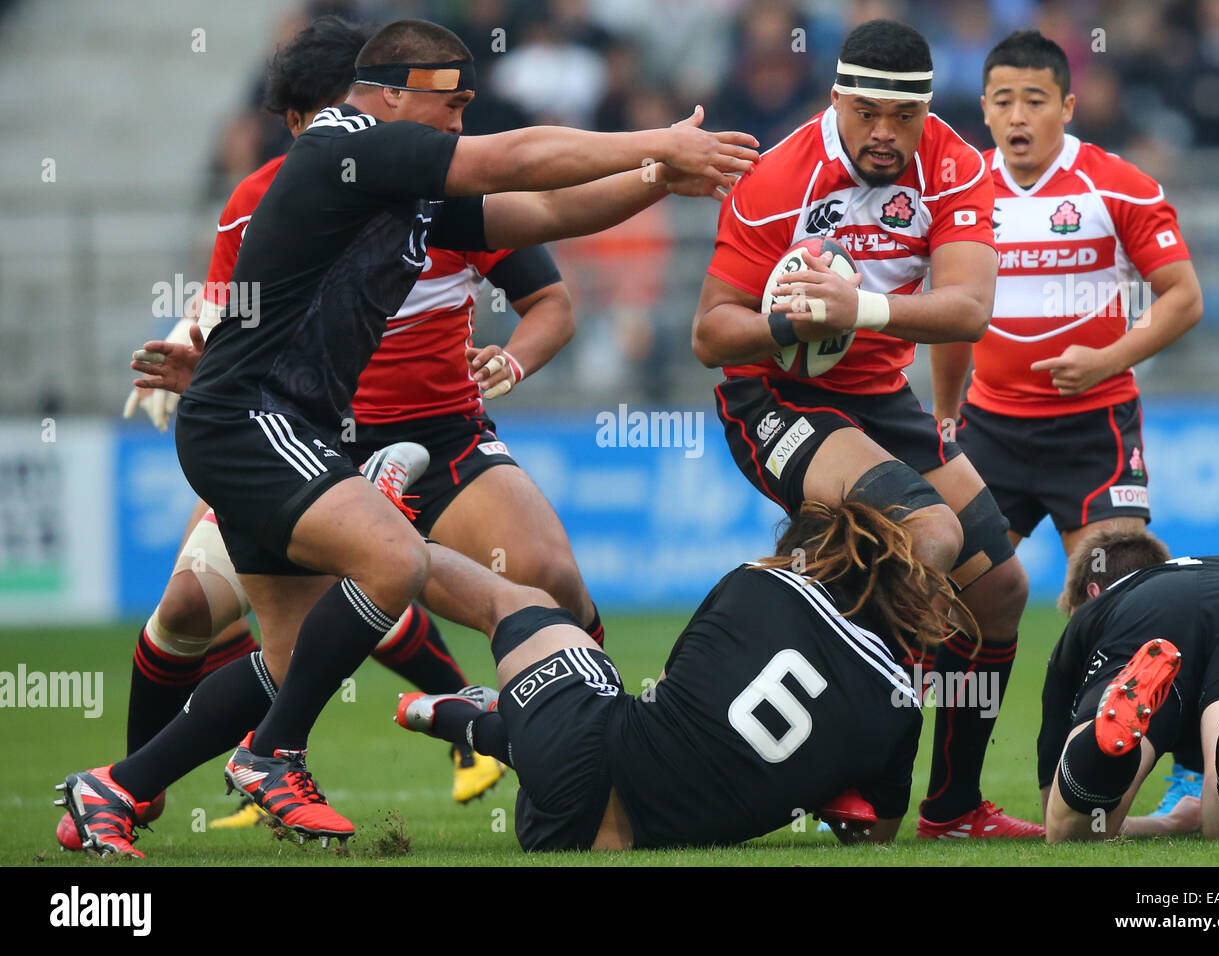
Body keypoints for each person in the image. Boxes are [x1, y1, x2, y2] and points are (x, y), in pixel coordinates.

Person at [57, 17, 759, 856]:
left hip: (287, 429)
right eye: (451, 104)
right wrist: (655, 140)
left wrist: (659, 176)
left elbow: (538, 210)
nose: (461, 121)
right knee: (393, 561)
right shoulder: (345, 142)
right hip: (252, 422)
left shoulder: (400, 182)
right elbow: (515, 159)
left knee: (290, 660)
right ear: (391, 93)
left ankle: (118, 787)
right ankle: (274, 755)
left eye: (469, 104)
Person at [110, 18, 501, 841]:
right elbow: (227, 308)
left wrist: (647, 170)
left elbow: (536, 252)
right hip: (269, 431)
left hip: (355, 433)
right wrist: (190, 351)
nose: (329, 136)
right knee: (200, 603)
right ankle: (211, 770)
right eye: (314, 121)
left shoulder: (427, 183)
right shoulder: (267, 194)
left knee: (352, 605)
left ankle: (130, 787)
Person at [691, 18, 1037, 838]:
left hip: (880, 399)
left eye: (903, 118)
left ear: (926, 112)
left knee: (1000, 591)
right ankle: (858, 776)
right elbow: (710, 334)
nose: (885, 134)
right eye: (867, 113)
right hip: (771, 398)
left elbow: (969, 310)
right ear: (837, 99)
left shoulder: (954, 167)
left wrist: (860, 310)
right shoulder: (779, 179)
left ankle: (953, 808)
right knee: (925, 535)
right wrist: (795, 321)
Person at [929, 29, 1205, 817]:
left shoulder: (1116, 185)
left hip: (1096, 428)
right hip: (991, 430)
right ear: (983, 109)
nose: (1018, 116)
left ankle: (1176, 767)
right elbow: (951, 322)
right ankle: (952, 802)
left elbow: (1182, 296)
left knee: (1123, 599)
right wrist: (946, 420)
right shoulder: (963, 195)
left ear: (1067, 107)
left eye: (1035, 101)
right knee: (960, 603)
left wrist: (1109, 356)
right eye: (1003, 100)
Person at [394, 500, 975, 851]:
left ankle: (386, 537)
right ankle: (478, 720)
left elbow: (679, 683)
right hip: (572, 837)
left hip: (572, 756)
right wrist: (820, 785)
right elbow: (873, 836)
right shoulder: (901, 702)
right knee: (592, 733)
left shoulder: (757, 582)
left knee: (518, 602)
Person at [1038, 527, 1219, 842]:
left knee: (1072, 830)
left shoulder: (1100, 609)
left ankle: (1105, 750)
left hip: (1145, 618)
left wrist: (1058, 820)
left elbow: (1053, 738)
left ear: (1093, 593)